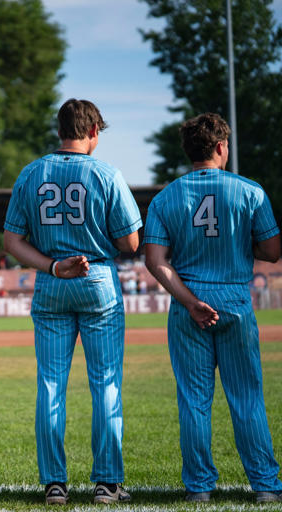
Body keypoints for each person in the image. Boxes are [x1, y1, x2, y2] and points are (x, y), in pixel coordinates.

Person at [3, 99, 141, 505]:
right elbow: (130, 242)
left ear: (59, 129)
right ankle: (107, 483)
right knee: (106, 383)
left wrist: (52, 265)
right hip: (97, 279)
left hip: (52, 279)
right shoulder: (107, 174)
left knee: (50, 384)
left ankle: (54, 484)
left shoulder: (31, 173)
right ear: (93, 130)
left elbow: (12, 242)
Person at [144, 113, 282, 503]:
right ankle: (265, 486)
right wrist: (240, 245)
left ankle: (200, 488)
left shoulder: (166, 197)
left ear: (188, 151)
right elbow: (273, 251)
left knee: (194, 401)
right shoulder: (250, 191)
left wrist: (190, 302)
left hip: (188, 304)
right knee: (247, 398)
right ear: (221, 147)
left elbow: (155, 260)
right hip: (235, 299)